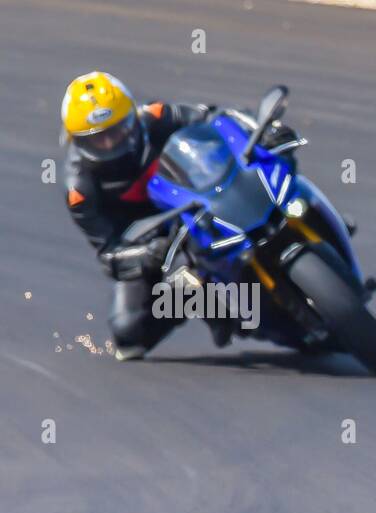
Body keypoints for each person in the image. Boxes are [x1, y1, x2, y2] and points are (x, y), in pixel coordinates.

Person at [61, 71, 294, 358]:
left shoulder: (156, 115)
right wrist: (146, 254)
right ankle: (218, 308)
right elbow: (109, 254)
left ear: (133, 118)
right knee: (128, 333)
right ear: (77, 141)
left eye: (117, 131)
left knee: (273, 161)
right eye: (98, 140)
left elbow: (216, 117)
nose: (111, 144)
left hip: (204, 194)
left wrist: (261, 130)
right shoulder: (80, 191)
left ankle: (310, 219)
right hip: (155, 239)